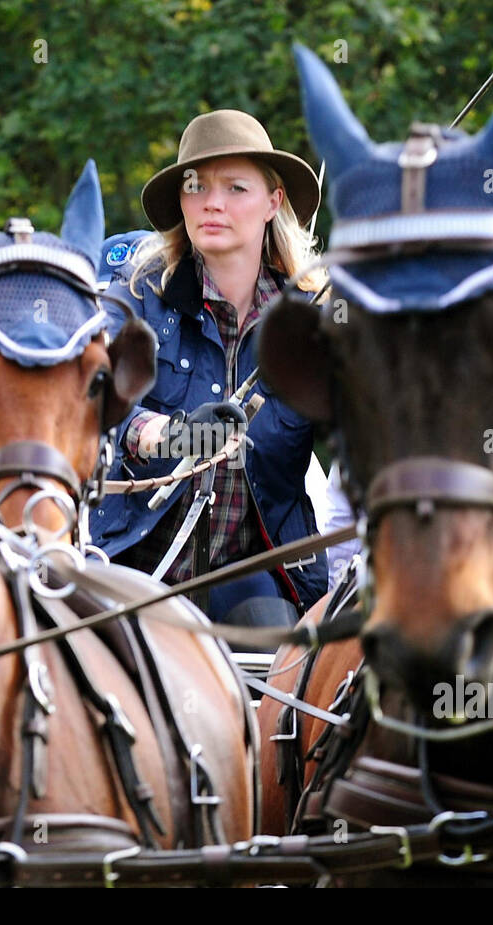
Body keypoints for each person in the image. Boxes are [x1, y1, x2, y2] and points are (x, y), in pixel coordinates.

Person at [91, 109, 327, 627]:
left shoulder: (312, 323)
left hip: (249, 571)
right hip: (129, 560)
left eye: (236, 188)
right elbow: (85, 395)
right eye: (196, 187)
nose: (212, 203)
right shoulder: (133, 296)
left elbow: (371, 427)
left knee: (277, 654)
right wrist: (165, 437)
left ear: (274, 201)